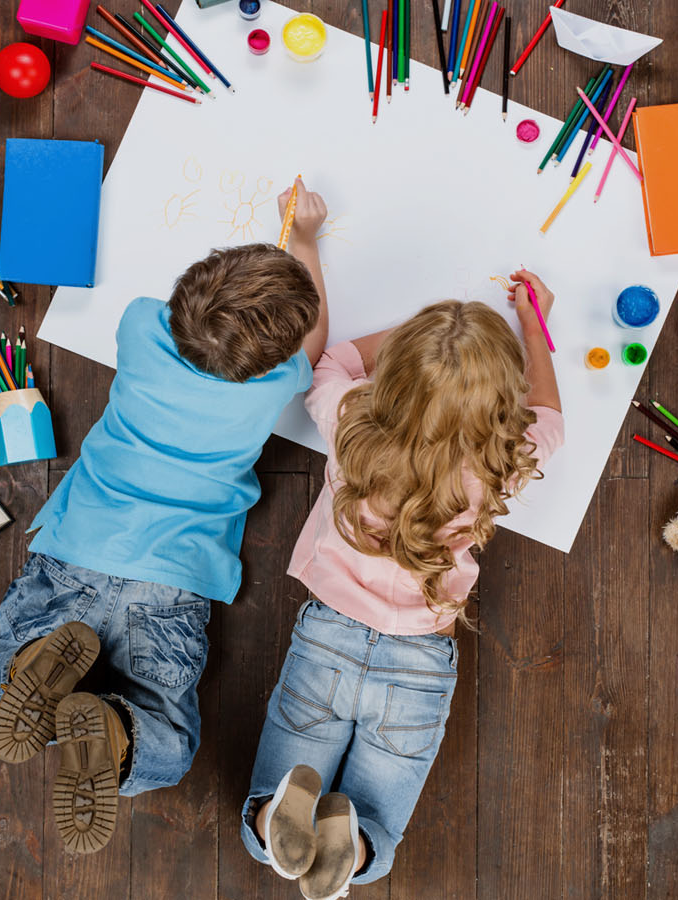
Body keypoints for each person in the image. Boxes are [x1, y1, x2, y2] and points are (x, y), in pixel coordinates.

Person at [0, 180, 329, 853]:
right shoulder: (281, 382)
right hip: (172, 583)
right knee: (166, 748)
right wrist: (306, 241)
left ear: (182, 302)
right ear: (272, 361)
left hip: (78, 552)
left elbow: (233, 320)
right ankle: (108, 727)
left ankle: (53, 681)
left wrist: (274, 257)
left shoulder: (142, 324)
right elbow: (315, 345)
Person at [240, 274, 564, 898]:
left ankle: (277, 816)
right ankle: (351, 848)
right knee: (379, 824)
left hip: (327, 640)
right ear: (502, 398)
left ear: (395, 375)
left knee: (276, 785)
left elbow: (332, 358)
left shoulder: (352, 421)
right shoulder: (506, 457)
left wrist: (429, 332)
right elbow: (549, 413)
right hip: (419, 659)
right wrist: (530, 327)